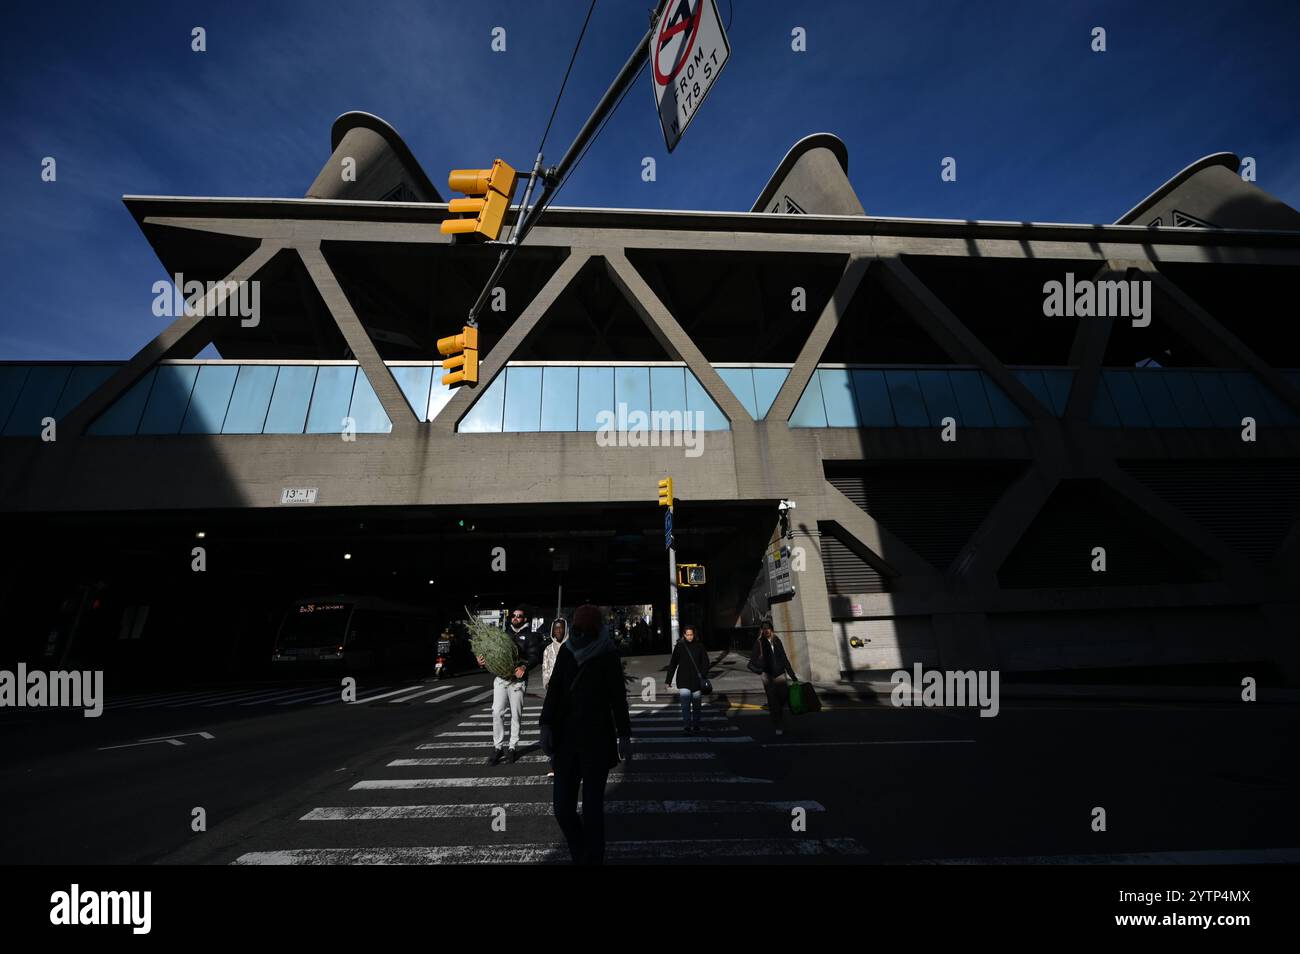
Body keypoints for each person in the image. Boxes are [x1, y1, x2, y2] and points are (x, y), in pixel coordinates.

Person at [540, 603, 631, 865]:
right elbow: (555, 691)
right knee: (562, 809)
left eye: (585, 629)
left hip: (596, 741)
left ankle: (592, 859)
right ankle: (581, 852)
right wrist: (545, 725)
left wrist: (624, 735)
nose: (581, 634)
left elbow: (618, 699)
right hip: (566, 741)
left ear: (596, 628)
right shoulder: (568, 652)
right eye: (577, 629)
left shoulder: (607, 654)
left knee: (592, 810)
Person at [482, 607, 542, 765]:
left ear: (525, 619)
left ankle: (512, 747)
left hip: (518, 681)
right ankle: (498, 747)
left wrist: (524, 667)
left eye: (519, 616)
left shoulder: (530, 636)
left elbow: (535, 656)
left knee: (516, 715)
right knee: (496, 712)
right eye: (514, 616)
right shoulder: (503, 634)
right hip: (501, 678)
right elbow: (491, 652)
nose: (515, 618)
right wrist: (483, 661)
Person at [749, 618, 798, 736]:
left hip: (780, 674)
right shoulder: (759, 643)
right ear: (761, 631)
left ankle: (776, 711)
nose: (766, 631)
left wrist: (792, 674)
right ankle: (778, 725)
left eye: (768, 628)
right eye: (764, 629)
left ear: (772, 630)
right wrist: (760, 671)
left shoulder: (777, 641)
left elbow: (784, 658)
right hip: (767, 676)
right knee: (773, 701)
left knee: (783, 696)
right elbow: (751, 663)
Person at [664, 625, 710, 733]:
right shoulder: (679, 646)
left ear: (694, 634)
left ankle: (696, 724)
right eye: (687, 635)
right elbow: (673, 664)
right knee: (685, 706)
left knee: (697, 706)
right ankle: (687, 725)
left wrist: (703, 674)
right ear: (684, 635)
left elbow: (706, 662)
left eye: (691, 634)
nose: (690, 637)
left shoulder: (699, 646)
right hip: (683, 680)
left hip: (696, 681)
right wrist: (668, 681)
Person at [540, 617, 568, 779]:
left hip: (568, 695)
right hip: (553, 696)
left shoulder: (572, 647)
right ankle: (553, 760)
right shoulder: (548, 650)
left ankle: (560, 764)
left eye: (561, 628)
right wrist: (549, 685)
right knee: (548, 731)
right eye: (555, 628)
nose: (558, 631)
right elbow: (545, 671)